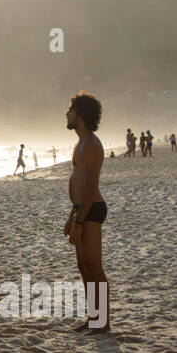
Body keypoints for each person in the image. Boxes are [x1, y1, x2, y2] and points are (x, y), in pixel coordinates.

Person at [63, 92, 109, 334]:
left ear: (80, 114)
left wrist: (80, 222)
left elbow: (90, 188)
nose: (67, 114)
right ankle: (93, 317)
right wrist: (72, 215)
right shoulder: (80, 142)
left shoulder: (91, 144)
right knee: (83, 266)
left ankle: (102, 322)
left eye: (71, 110)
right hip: (81, 210)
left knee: (94, 267)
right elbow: (78, 187)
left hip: (92, 210)